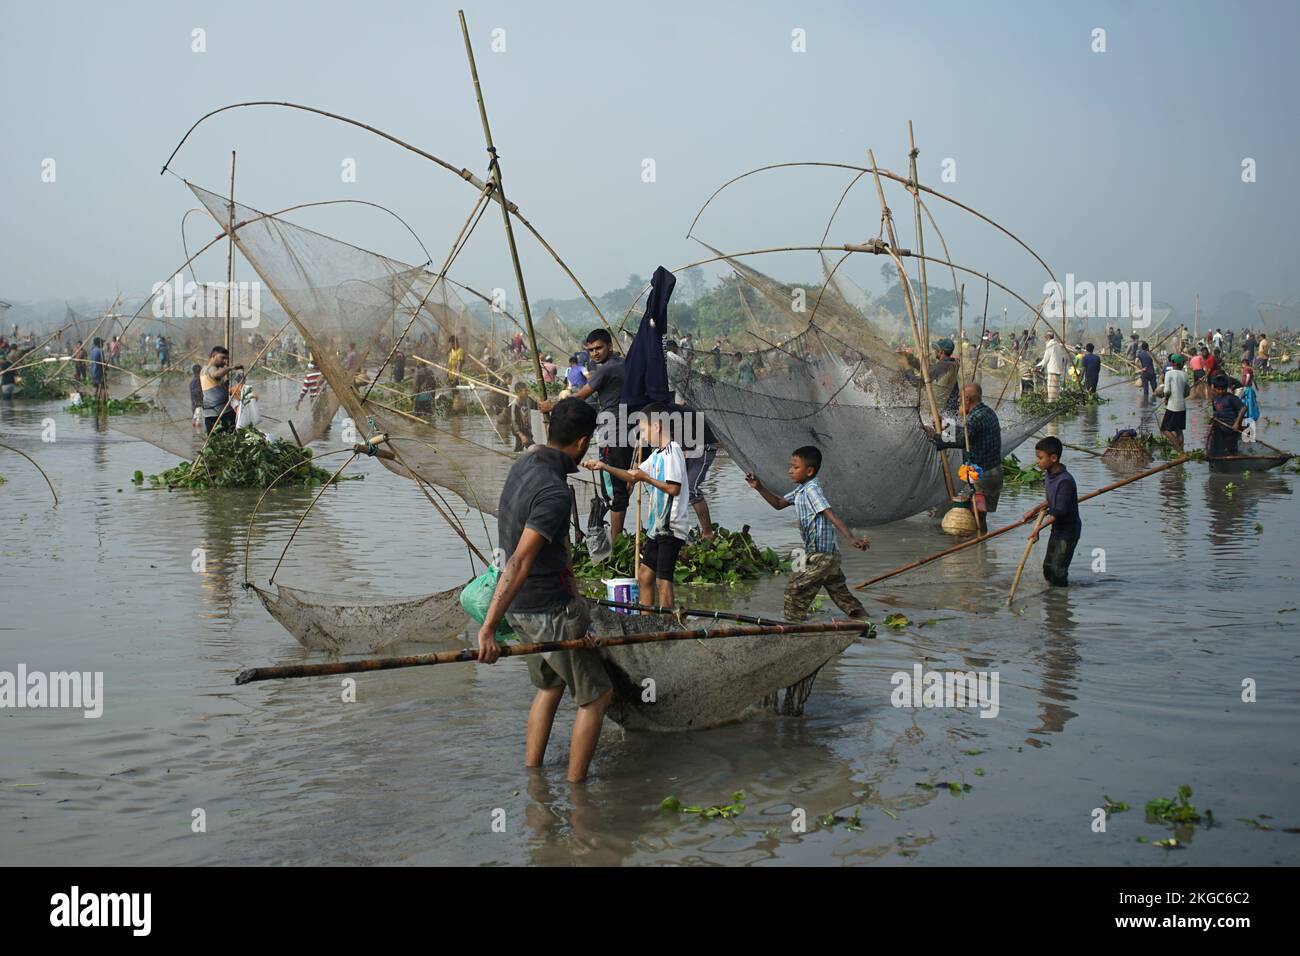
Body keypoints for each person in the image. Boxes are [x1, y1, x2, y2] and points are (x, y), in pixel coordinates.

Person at [474, 398, 610, 784]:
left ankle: (534, 781)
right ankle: (577, 793)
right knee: (596, 696)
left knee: (550, 684)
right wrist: (487, 628)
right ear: (583, 442)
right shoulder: (554, 492)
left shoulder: (523, 465)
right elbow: (519, 560)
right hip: (546, 609)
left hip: (521, 607)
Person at [745, 445, 869, 621]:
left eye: (795, 467)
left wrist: (850, 538)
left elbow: (829, 513)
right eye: (791, 466)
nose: (790, 471)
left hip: (823, 556)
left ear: (809, 470)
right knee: (842, 596)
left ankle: (794, 626)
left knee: (794, 588)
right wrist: (759, 487)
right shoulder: (800, 490)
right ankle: (869, 623)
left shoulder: (812, 490)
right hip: (817, 554)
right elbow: (778, 504)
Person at [585, 402, 689, 607]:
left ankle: (667, 626)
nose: (642, 435)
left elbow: (673, 488)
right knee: (644, 575)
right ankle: (646, 620)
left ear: (657, 426)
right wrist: (604, 466)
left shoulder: (673, 451)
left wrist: (646, 479)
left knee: (662, 579)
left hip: (671, 528)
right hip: (656, 529)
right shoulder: (656, 455)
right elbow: (632, 474)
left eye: (643, 429)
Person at [538, 329, 630, 537]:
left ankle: (615, 542)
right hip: (626, 428)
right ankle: (618, 535)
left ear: (610, 346)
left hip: (612, 431)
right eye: (590, 350)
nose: (595, 353)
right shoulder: (623, 363)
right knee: (620, 483)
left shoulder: (607, 369)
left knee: (613, 490)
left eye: (599, 348)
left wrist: (553, 406)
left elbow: (580, 396)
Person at [922, 382, 1003, 533]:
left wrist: (936, 436)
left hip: (981, 478)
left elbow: (961, 440)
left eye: (960, 399)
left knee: (973, 517)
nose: (958, 402)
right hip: (993, 474)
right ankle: (980, 548)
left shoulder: (974, 417)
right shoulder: (987, 412)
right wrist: (946, 425)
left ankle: (976, 547)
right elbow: (968, 432)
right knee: (978, 516)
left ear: (967, 400)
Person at [1022, 437, 1080, 588]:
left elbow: (1059, 511)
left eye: (1040, 458)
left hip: (1068, 532)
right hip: (1057, 529)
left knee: (1058, 572)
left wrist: (1038, 528)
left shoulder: (1065, 481)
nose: (1037, 461)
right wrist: (1033, 510)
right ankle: (1052, 602)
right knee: (1048, 569)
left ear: (1053, 458)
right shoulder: (1049, 475)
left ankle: (1061, 602)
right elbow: (1051, 500)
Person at [675, 395, 719, 541]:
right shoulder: (669, 412)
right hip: (686, 451)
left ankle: (708, 533)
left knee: (691, 488)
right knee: (673, 487)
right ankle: (677, 530)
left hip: (704, 449)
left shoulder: (674, 411)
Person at [200, 346, 240, 434]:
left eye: (226, 358)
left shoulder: (210, 370)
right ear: (213, 356)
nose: (225, 361)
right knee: (221, 439)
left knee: (231, 438)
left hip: (223, 411)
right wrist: (231, 368)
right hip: (216, 413)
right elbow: (216, 374)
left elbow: (216, 382)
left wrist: (225, 385)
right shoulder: (209, 369)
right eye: (222, 358)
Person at [1206, 376, 1246, 456]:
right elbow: (1215, 411)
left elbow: (1243, 408)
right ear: (1214, 388)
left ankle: (1233, 462)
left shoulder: (1231, 398)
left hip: (1230, 427)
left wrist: (1236, 423)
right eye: (1218, 389)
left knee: (1231, 449)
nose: (1220, 391)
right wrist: (1212, 419)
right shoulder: (1215, 398)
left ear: (1226, 388)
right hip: (1218, 427)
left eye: (1222, 389)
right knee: (1217, 448)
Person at [1158, 354, 1189, 452]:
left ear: (1172, 363)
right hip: (1182, 406)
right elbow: (1187, 393)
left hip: (1173, 406)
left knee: (1164, 429)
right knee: (1179, 430)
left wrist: (1166, 398)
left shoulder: (1169, 374)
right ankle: (1181, 452)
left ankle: (1178, 449)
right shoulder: (1185, 374)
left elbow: (1166, 391)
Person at [498, 380, 537, 451]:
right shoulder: (515, 405)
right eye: (525, 391)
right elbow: (514, 422)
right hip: (520, 431)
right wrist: (521, 435)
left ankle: (514, 459)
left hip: (527, 429)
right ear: (519, 392)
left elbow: (537, 406)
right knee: (534, 450)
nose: (527, 392)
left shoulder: (528, 400)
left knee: (519, 450)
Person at [1037, 332, 1069, 401]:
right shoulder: (1058, 345)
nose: (1045, 340)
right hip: (1058, 370)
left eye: (1045, 338)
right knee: (1056, 389)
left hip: (1052, 371)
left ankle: (1051, 403)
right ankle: (1055, 402)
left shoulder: (1050, 345)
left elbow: (1045, 359)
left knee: (1051, 390)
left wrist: (1038, 366)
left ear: (1048, 337)